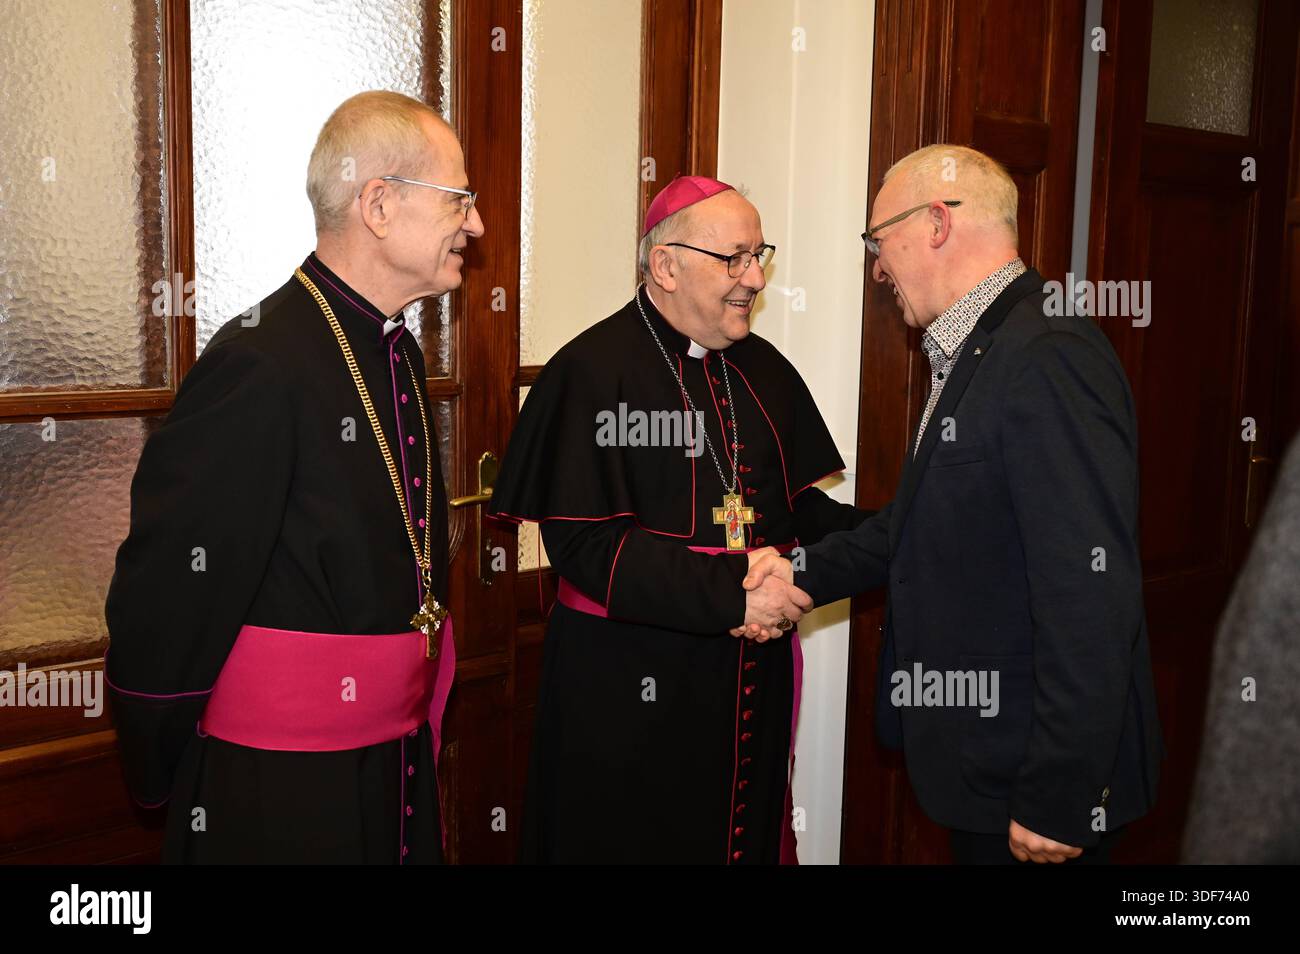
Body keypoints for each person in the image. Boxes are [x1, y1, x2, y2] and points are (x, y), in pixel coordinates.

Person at [746, 145, 1164, 864]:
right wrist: (796, 571)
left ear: (937, 223)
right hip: (982, 763)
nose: (877, 268)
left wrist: (1062, 793)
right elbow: (910, 529)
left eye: (878, 242)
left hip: (1031, 782)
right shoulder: (976, 349)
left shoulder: (1047, 353)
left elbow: (1089, 592)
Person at [104, 90, 484, 863]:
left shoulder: (395, 350)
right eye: (460, 199)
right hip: (282, 790)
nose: (475, 225)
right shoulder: (259, 360)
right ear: (379, 204)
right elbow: (170, 591)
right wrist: (157, 764)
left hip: (393, 762)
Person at [487, 175, 869, 863]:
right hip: (627, 683)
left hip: (747, 679)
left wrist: (890, 532)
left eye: (760, 255)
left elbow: (792, 511)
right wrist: (738, 593)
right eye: (735, 258)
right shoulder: (593, 371)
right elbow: (587, 546)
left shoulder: (764, 369)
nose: (755, 276)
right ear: (665, 265)